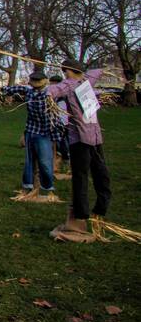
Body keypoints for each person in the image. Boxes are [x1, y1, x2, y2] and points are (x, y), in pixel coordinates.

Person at [47, 60, 111, 238]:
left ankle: (85, 212)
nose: (65, 74)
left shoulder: (70, 83)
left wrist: (48, 93)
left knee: (82, 177)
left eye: (65, 71)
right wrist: (106, 70)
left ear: (68, 71)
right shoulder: (87, 81)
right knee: (100, 175)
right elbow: (96, 72)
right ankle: (95, 209)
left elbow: (51, 91)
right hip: (93, 139)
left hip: (83, 140)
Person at [0, 70, 58, 201]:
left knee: (44, 163)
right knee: (29, 162)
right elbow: (13, 89)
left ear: (44, 81)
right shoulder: (29, 91)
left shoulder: (50, 93)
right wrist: (3, 89)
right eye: (33, 80)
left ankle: (48, 190)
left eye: (38, 80)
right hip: (30, 131)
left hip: (45, 133)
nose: (35, 83)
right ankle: (27, 187)